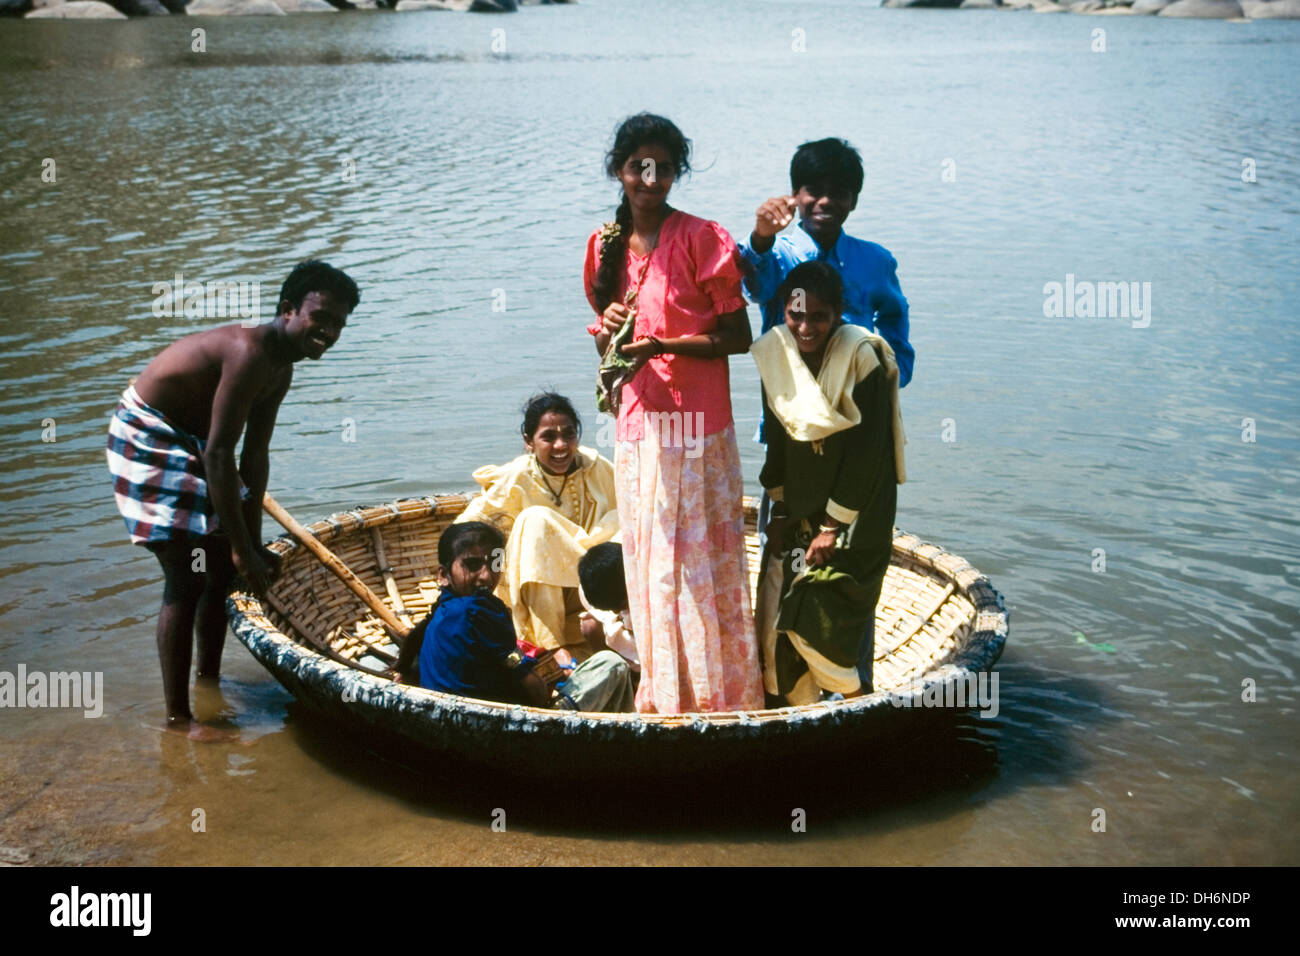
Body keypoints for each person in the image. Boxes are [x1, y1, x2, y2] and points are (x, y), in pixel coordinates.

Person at [106, 259, 359, 736]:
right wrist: (243, 546)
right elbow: (220, 454)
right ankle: (178, 718)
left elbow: (254, 458)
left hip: (196, 442)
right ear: (287, 310)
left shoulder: (280, 369)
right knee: (186, 568)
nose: (328, 331)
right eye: (319, 318)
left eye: (338, 325)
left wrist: (251, 544)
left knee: (219, 565)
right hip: (150, 433)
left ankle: (209, 680)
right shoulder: (249, 353)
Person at [583, 112, 763, 714]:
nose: (651, 178)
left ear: (675, 174)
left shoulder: (703, 238)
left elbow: (738, 336)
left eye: (663, 167)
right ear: (620, 170)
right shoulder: (604, 246)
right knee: (653, 560)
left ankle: (717, 695)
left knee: (701, 561)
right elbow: (608, 345)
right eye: (640, 166)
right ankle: (666, 691)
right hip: (638, 427)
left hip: (700, 426)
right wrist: (610, 329)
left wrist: (664, 346)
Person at [751, 262, 906, 705]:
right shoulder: (775, 353)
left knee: (823, 612)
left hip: (858, 508)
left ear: (838, 313)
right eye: (795, 314)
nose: (805, 326)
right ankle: (799, 704)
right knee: (779, 610)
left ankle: (858, 699)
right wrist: (781, 509)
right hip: (800, 502)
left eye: (818, 316)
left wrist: (832, 527)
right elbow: (777, 439)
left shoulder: (862, 357)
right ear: (783, 309)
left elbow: (868, 451)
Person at [738, 137, 913, 394]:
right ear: (796, 195)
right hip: (790, 399)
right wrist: (762, 237)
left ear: (853, 201)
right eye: (815, 191)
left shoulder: (876, 260)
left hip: (858, 395)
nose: (826, 201)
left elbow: (894, 315)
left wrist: (892, 373)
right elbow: (754, 289)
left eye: (839, 193)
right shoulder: (776, 254)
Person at [399, 522, 634, 713]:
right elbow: (537, 693)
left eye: (494, 563)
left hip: (460, 716)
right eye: (472, 565)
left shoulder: (441, 611)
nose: (486, 576)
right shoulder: (479, 609)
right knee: (610, 663)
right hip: (498, 724)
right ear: (443, 575)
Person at [453, 393, 618, 664]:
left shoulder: (597, 468)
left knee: (625, 518)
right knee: (536, 521)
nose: (561, 445)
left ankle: (616, 624)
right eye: (548, 437)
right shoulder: (517, 476)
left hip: (587, 584)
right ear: (529, 442)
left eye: (568, 434)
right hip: (532, 590)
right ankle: (552, 646)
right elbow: (465, 529)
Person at [576, 541, 639, 674]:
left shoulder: (641, 582)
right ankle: (622, 678)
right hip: (626, 635)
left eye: (621, 606)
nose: (616, 611)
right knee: (589, 625)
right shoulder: (591, 588)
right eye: (613, 609)